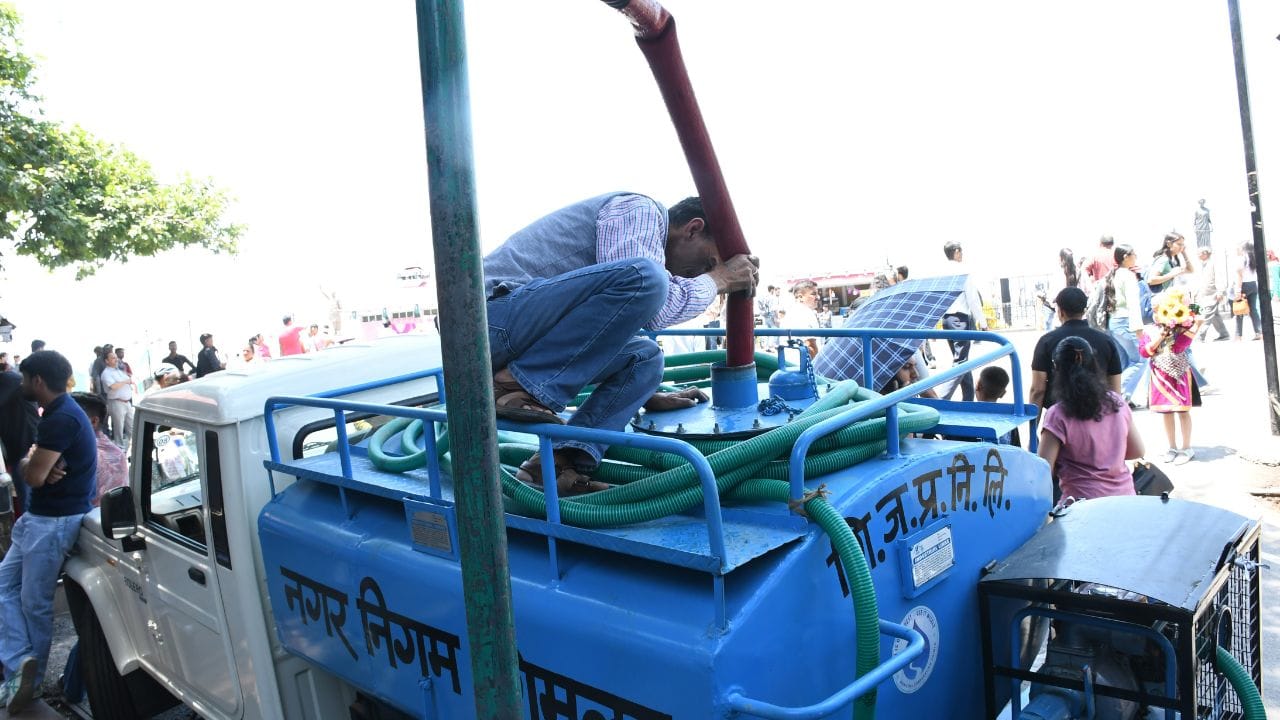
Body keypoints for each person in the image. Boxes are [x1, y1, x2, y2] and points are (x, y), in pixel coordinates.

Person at [481, 193, 756, 495]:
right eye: (708, 263)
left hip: (519, 332)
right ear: (692, 229)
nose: (703, 274)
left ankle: (555, 465)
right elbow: (656, 302)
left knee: (646, 358)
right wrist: (720, 280)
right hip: (487, 320)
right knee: (647, 277)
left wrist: (644, 393)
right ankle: (514, 387)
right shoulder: (639, 209)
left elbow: (606, 321)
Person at [1, 351, 96, 713]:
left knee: (34, 604)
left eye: (24, 379)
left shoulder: (61, 420)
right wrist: (32, 459)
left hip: (53, 522)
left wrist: (31, 462)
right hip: (38, 519)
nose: (21, 385)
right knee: (4, 587)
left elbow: (34, 475)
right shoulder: (55, 415)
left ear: (37, 380)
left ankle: (31, 682)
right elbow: (32, 465)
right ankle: (20, 664)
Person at [59, 392, 129, 704]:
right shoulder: (113, 451)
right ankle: (70, 685)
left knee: (94, 626)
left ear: (93, 421)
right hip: (115, 540)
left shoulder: (85, 457)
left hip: (90, 540)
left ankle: (71, 687)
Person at [1037, 337, 1143, 505]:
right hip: (1126, 501)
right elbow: (1137, 451)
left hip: (1081, 507)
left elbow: (1042, 471)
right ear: (1095, 364)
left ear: (1056, 368)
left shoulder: (1057, 414)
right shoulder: (1117, 403)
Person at [1029, 287, 1123, 413]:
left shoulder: (1046, 341)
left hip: (1058, 418)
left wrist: (1033, 428)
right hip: (1097, 416)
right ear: (1084, 310)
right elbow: (1115, 390)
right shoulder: (1106, 341)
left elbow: (1037, 390)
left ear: (1060, 311)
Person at [1140, 291, 1197, 464]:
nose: (1158, 314)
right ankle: (1171, 447)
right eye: (1155, 310)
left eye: (1161, 309)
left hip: (1179, 373)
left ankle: (1187, 448)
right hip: (1159, 374)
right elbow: (1144, 352)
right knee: (1166, 411)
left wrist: (1185, 323)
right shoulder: (1149, 330)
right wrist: (1159, 337)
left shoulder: (1182, 327)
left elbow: (1179, 347)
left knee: (1182, 410)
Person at [938, 241, 988, 401]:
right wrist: (983, 322)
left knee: (962, 362)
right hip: (960, 318)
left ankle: (968, 399)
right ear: (957, 252)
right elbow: (973, 299)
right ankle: (941, 399)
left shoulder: (941, 273)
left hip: (947, 319)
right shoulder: (963, 271)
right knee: (960, 363)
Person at [1103, 244, 1147, 405]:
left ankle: (1122, 397)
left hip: (1114, 322)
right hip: (1126, 321)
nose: (1136, 256)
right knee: (1141, 360)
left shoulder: (1113, 274)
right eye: (1134, 254)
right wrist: (1139, 329)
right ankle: (1115, 395)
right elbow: (1133, 303)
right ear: (1125, 257)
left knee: (1124, 362)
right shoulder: (1128, 276)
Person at [1194, 246, 1231, 342]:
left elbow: (1219, 278)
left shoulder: (1213, 264)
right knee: (1214, 315)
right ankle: (1224, 334)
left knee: (1206, 315)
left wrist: (1220, 292)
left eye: (1200, 253)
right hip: (1203, 295)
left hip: (1212, 294)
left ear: (1205, 254)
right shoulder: (1200, 265)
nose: (1198, 255)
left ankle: (1200, 336)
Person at [99, 350, 133, 447]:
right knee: (119, 428)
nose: (116, 360)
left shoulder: (119, 370)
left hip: (127, 402)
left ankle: (134, 447)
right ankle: (120, 449)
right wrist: (125, 381)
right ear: (106, 361)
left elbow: (129, 380)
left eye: (116, 358)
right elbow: (113, 386)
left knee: (131, 426)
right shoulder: (106, 373)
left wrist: (127, 381)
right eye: (113, 358)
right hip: (116, 402)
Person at [785, 280, 823, 360]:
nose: (818, 297)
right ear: (800, 297)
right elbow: (810, 347)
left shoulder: (791, 311)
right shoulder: (805, 313)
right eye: (813, 294)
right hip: (803, 367)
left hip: (791, 365)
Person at [1233, 241, 1263, 341]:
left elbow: (1240, 275)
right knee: (1253, 309)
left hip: (1244, 285)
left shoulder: (1242, 258)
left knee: (1240, 309)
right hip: (1253, 284)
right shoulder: (1254, 258)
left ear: (1243, 248)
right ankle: (1259, 332)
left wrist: (1238, 290)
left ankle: (1238, 335)